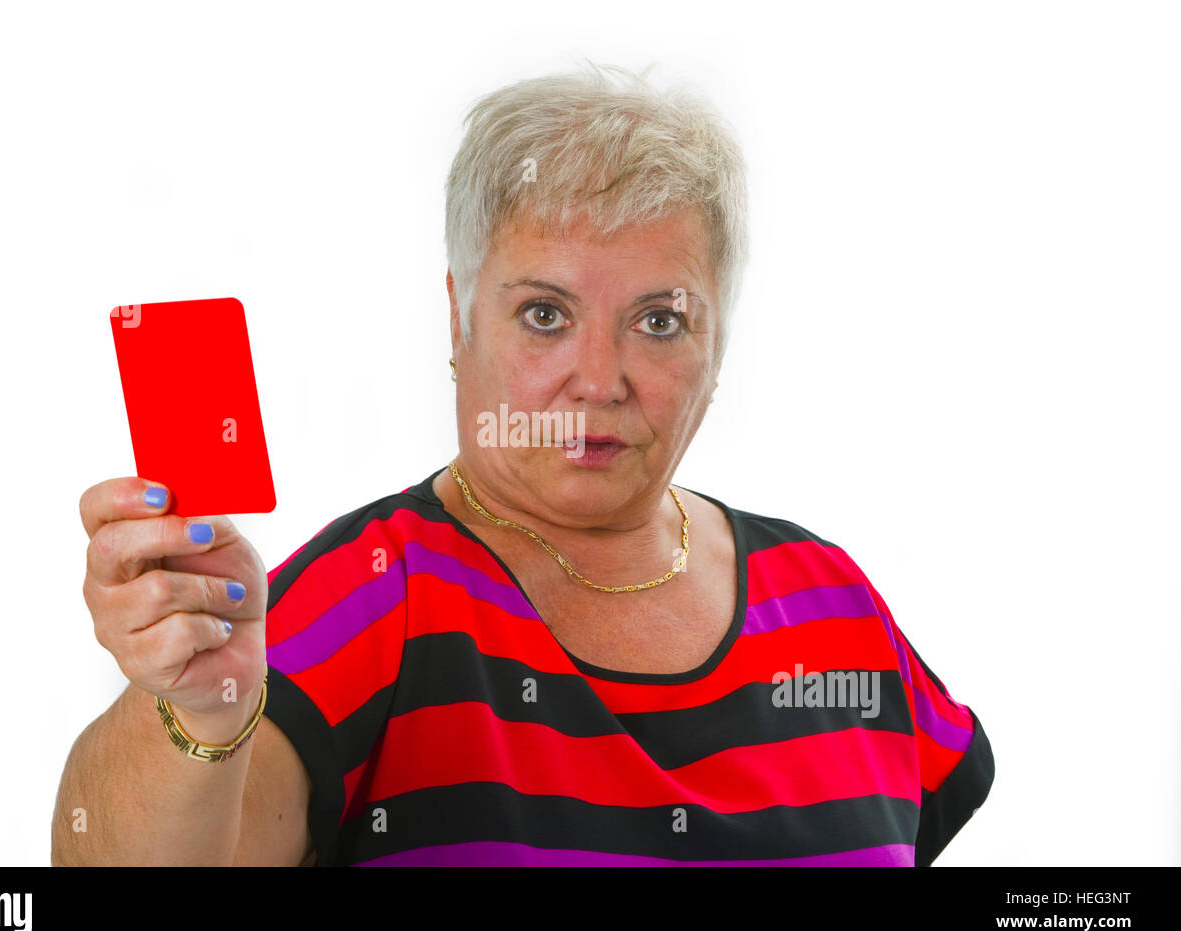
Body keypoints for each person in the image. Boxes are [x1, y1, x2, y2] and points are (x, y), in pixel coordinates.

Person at [53, 62, 993, 867]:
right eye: (545, 314)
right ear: (459, 321)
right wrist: (196, 715)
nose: (599, 381)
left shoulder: (832, 601)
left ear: (721, 341)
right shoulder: (376, 594)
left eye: (659, 321)